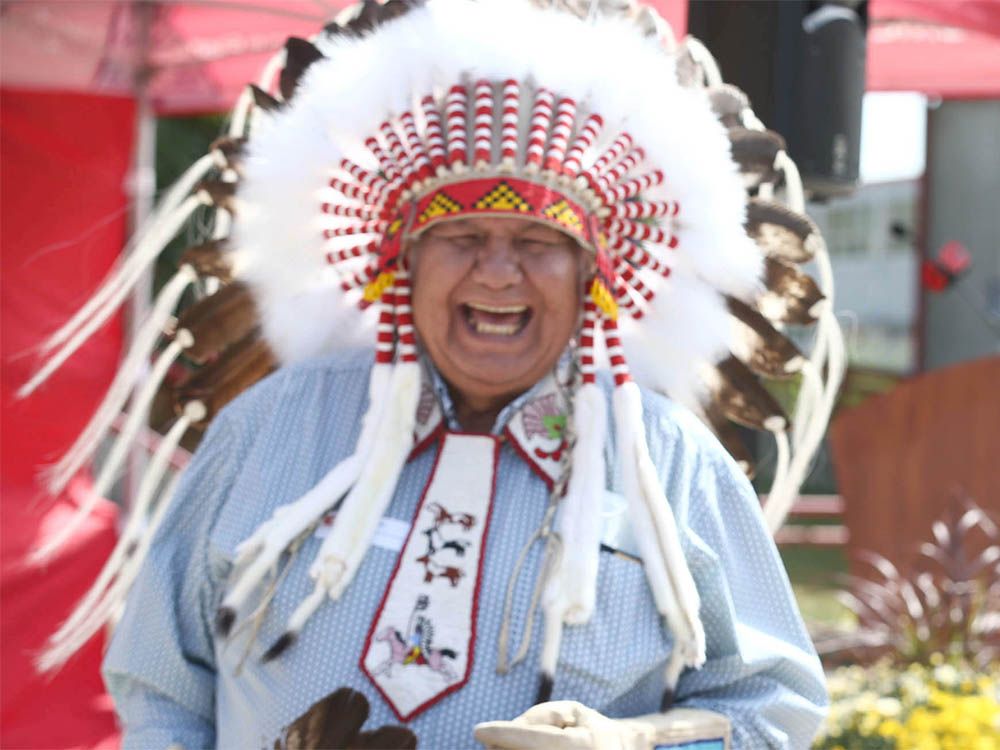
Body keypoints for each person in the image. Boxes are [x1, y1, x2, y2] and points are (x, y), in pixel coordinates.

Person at [31, 0, 841, 747]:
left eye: (538, 243)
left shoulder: (670, 463)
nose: (498, 272)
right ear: (402, 264)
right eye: (462, 238)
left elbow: (771, 707)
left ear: (590, 277)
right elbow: (161, 691)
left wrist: (631, 745)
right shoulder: (268, 430)